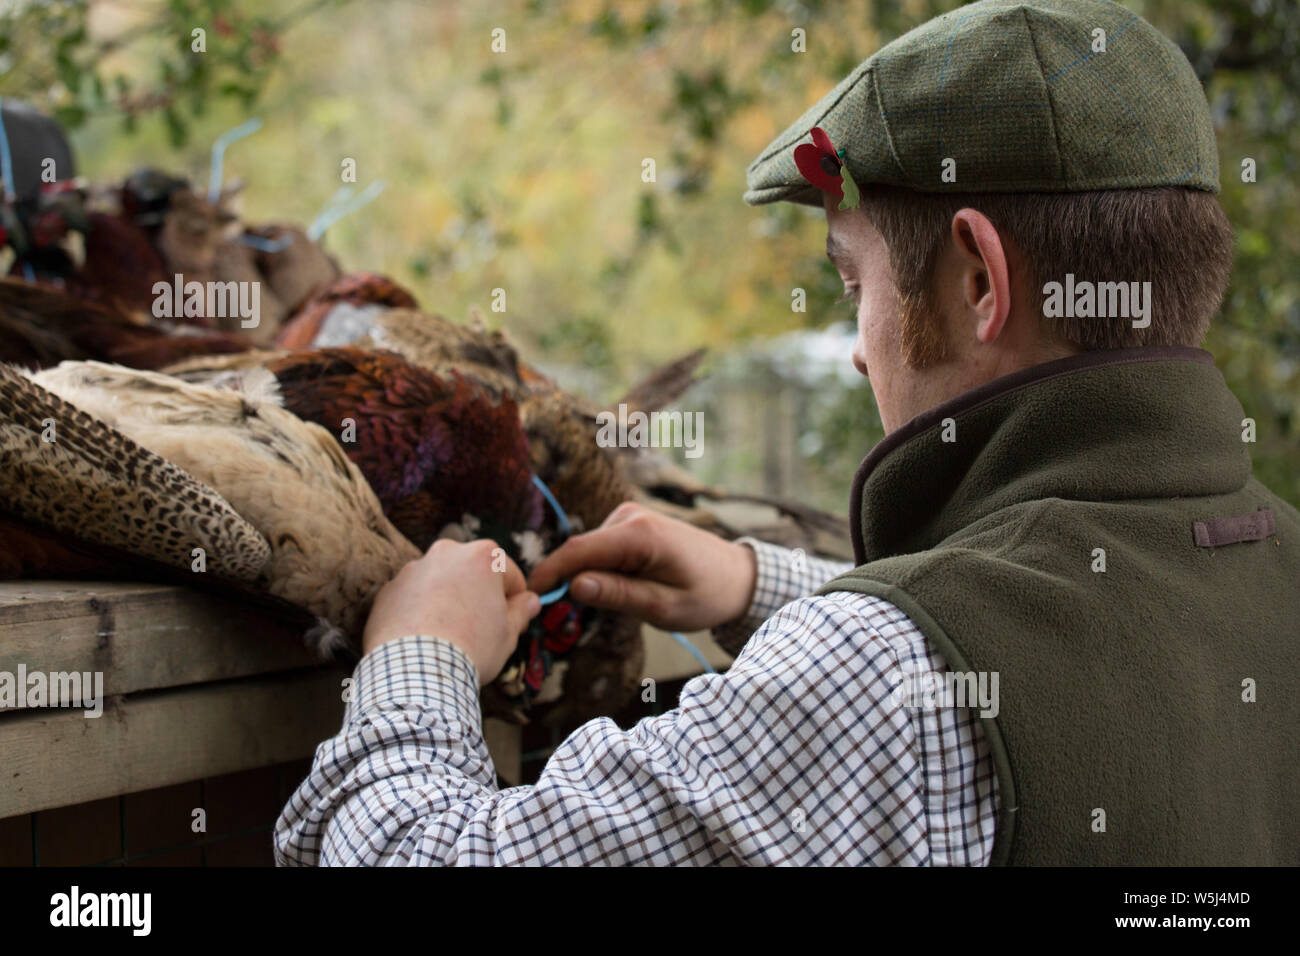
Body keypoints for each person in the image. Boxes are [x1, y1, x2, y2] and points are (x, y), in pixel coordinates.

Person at [275, 0, 1299, 866]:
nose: (859, 350)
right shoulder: (1272, 564)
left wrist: (418, 653)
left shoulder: (878, 676)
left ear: (978, 279)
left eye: (853, 286)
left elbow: (421, 855)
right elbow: (1069, 645)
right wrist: (752, 586)